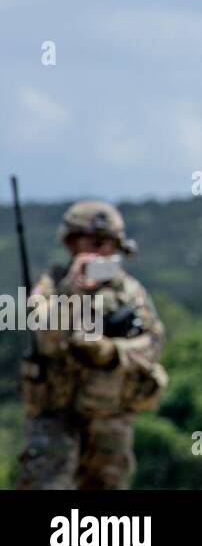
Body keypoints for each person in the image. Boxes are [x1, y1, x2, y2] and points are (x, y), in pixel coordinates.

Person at [15, 200, 168, 490]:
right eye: (92, 242)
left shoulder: (130, 292)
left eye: (106, 243)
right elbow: (45, 339)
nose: (99, 252)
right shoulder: (53, 285)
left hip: (110, 417)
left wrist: (110, 353)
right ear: (72, 243)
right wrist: (72, 290)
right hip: (56, 417)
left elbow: (153, 344)